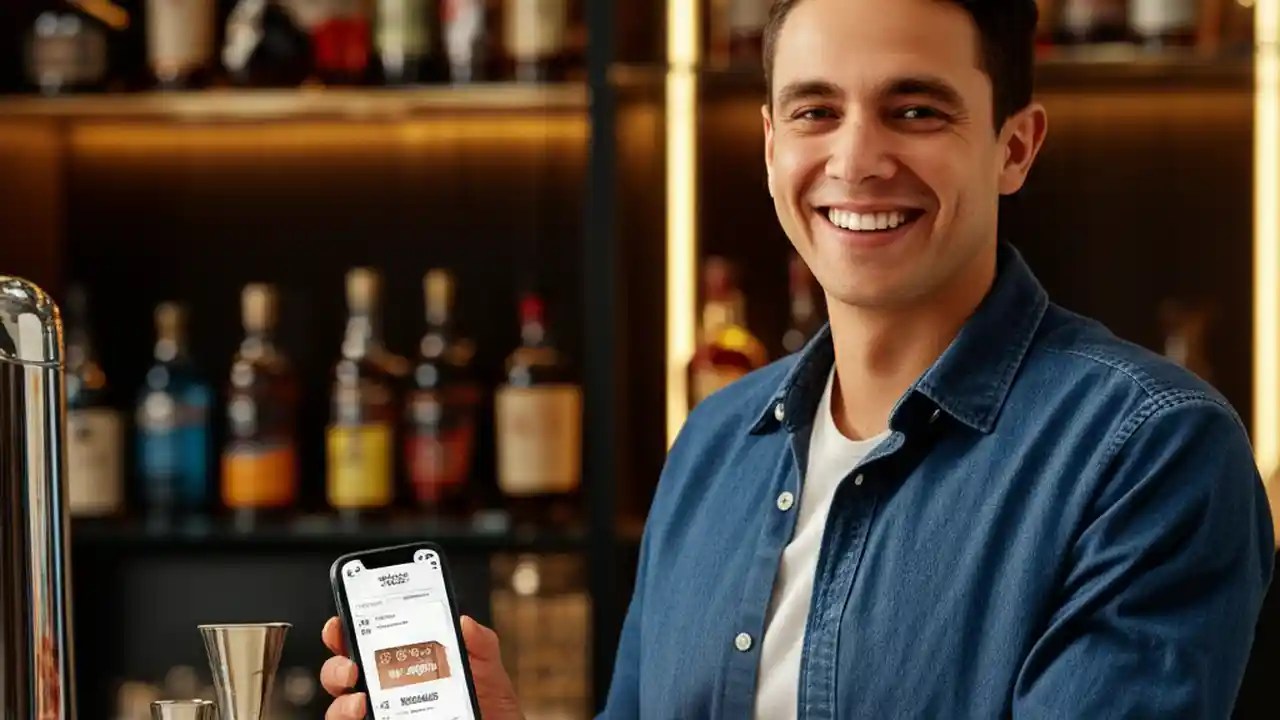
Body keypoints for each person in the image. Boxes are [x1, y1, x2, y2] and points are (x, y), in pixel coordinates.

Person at [321, 0, 1276, 716]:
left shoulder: (1150, 453)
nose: (856, 160)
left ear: (1014, 148)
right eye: (816, 112)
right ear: (772, 145)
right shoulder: (711, 443)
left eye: (915, 111)